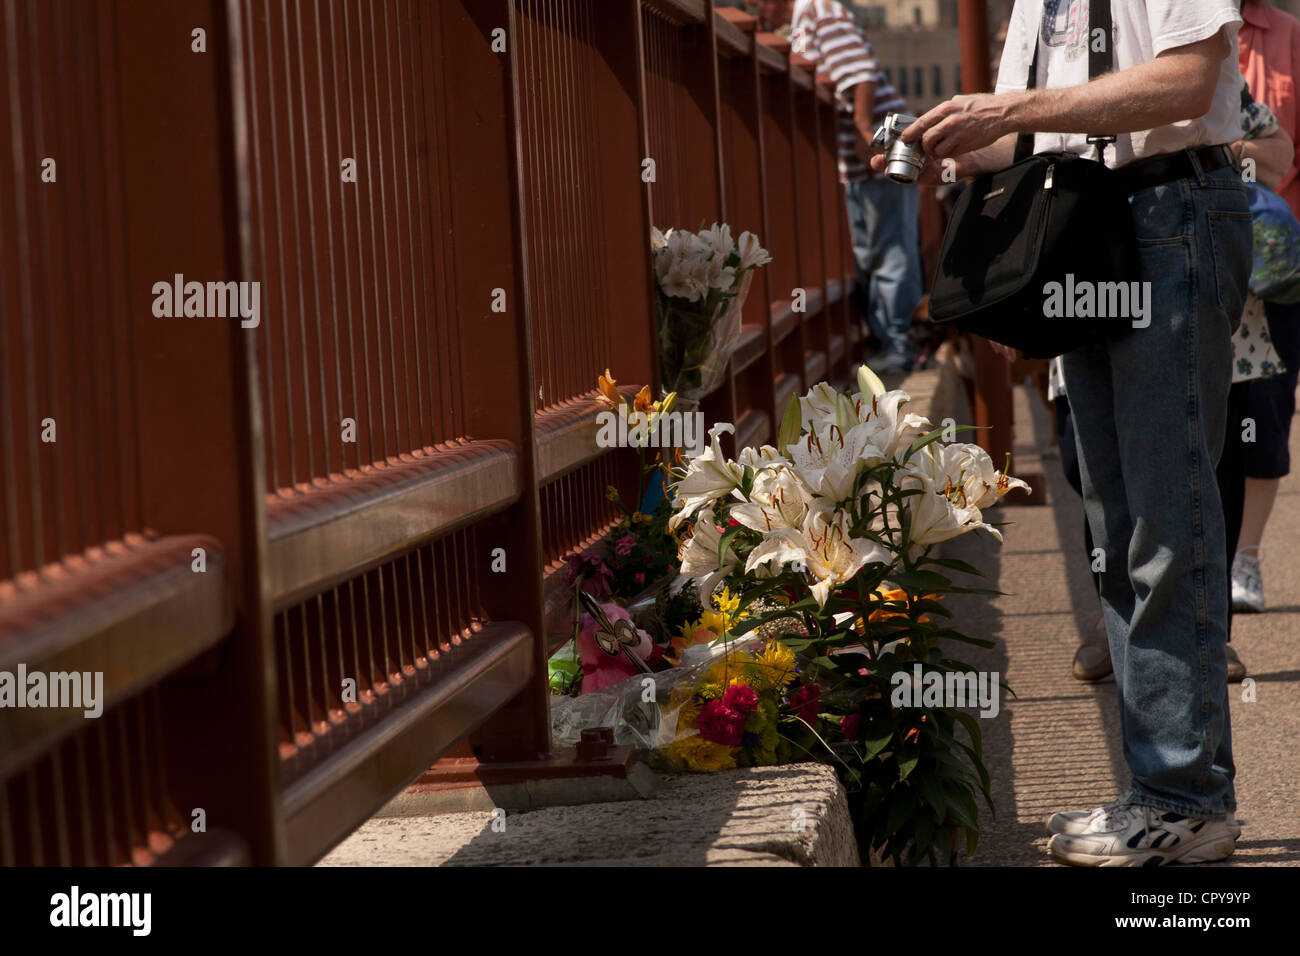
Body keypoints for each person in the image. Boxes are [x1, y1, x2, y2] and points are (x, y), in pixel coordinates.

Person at [876, 0, 1250, 866]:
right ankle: (1163, 792)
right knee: (1119, 532)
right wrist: (950, 139)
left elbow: (1190, 79)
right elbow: (1036, 138)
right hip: (1093, 229)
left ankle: (1185, 798)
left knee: (1165, 523)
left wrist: (1008, 111)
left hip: (1172, 208)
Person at [755, 0, 921, 373]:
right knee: (874, 253)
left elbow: (858, 72)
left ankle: (900, 347)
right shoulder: (809, 15)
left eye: (756, 3)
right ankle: (892, 343)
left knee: (887, 252)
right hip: (862, 164)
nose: (759, 11)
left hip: (875, 157)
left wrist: (865, 133)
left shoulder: (819, 9)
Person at [1231, 0, 1300, 613]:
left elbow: (1283, 153)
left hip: (1279, 262)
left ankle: (1246, 557)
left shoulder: (1290, 35)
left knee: (1267, 412)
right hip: (1196, 256)